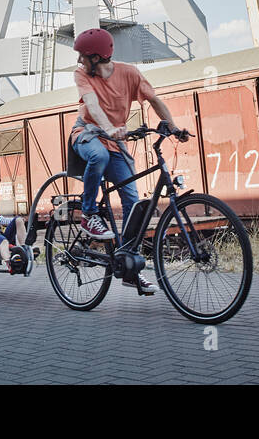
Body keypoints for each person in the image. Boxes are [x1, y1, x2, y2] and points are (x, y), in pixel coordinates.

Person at [70, 27, 182, 294]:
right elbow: (91, 103)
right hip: (87, 132)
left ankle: (129, 266)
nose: (79, 62)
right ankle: (89, 214)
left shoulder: (129, 73)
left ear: (97, 57)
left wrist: (174, 127)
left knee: (134, 204)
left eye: (83, 57)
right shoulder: (82, 74)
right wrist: (108, 127)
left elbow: (153, 99)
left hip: (114, 139)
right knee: (99, 155)